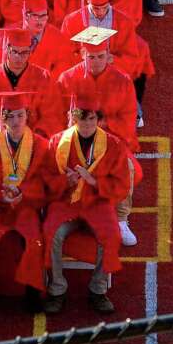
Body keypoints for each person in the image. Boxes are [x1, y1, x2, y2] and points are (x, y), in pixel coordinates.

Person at [41, 93, 134, 314]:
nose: (87, 124)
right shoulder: (57, 142)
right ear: (74, 119)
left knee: (111, 234)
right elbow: (45, 179)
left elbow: (121, 185)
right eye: (82, 119)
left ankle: (98, 289)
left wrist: (94, 181)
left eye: (92, 119)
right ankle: (57, 289)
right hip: (66, 202)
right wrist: (66, 181)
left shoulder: (113, 145)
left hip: (97, 202)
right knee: (51, 232)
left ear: (99, 120)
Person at [0, 91, 51, 313]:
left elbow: (44, 182)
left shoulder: (41, 146)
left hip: (26, 205)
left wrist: (23, 193)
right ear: (2, 118)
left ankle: (32, 294)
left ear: (28, 116)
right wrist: (0, 196)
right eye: (10, 116)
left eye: (20, 116)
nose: (15, 122)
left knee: (34, 238)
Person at [56, 27, 140, 246]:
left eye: (100, 57)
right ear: (83, 54)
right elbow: (55, 116)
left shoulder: (122, 81)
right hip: (73, 141)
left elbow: (128, 120)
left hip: (111, 142)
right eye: (91, 56)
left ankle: (121, 219)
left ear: (109, 56)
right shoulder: (67, 79)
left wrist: (98, 125)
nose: (95, 62)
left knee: (127, 168)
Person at [0, 27, 66, 138]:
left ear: (30, 51)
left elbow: (52, 115)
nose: (19, 57)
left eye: (24, 52)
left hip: (33, 138)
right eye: (15, 52)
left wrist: (34, 137)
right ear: (7, 49)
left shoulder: (43, 77)